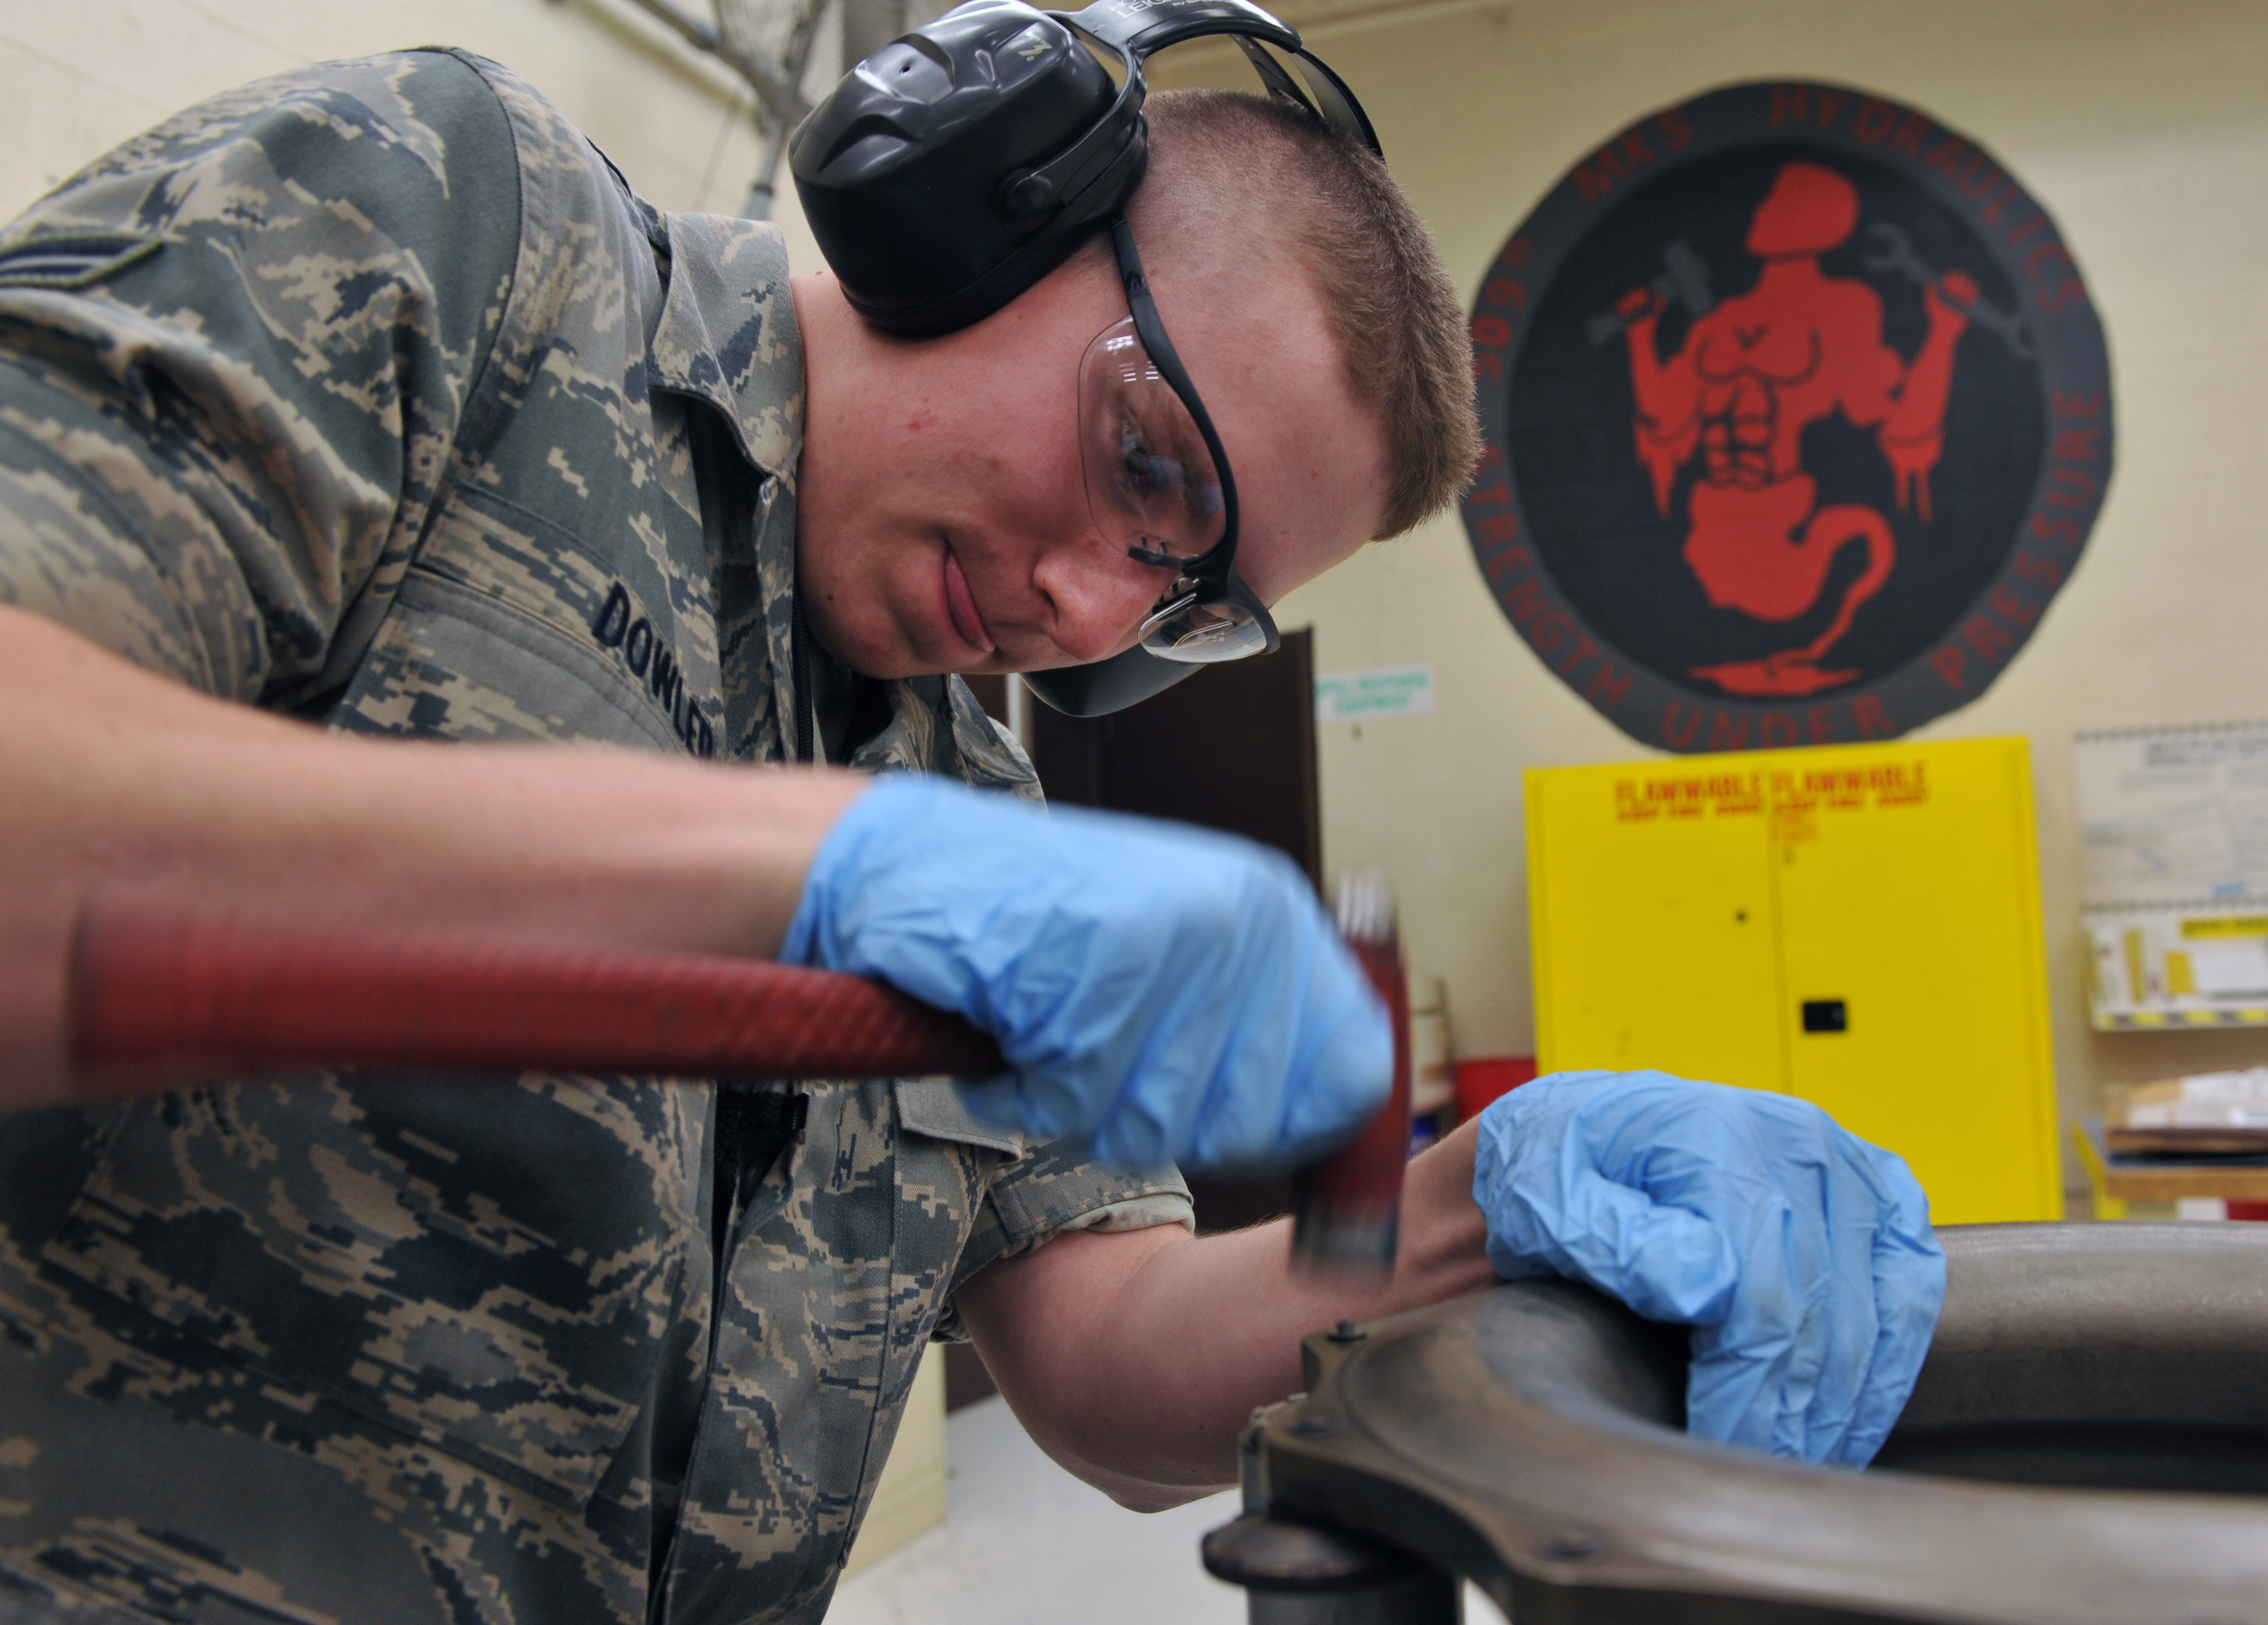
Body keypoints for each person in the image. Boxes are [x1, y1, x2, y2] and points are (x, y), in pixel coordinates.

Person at [0, 31, 1942, 1625]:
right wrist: (816, 877)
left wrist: (1466, 1204)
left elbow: (1098, 1354)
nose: (1092, 614)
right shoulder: (468, 229)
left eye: (1188, 602)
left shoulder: (968, 780)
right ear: (987, 219)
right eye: (1141, 465)